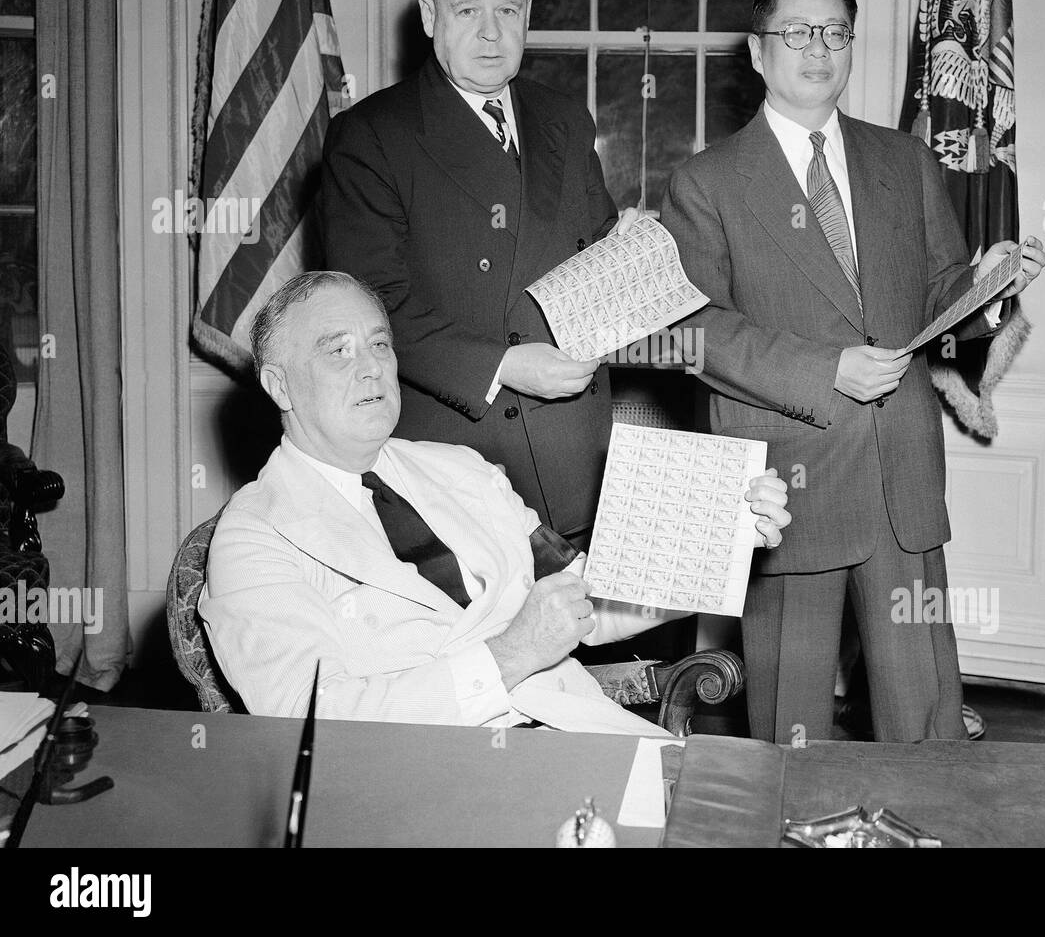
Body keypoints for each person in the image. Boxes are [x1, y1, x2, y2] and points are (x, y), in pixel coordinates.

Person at [660, 0, 1045, 744]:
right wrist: (825, 369)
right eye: (796, 32)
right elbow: (694, 329)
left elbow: (940, 305)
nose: (818, 48)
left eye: (835, 32)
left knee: (927, 718)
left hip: (903, 482)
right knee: (789, 727)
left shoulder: (905, 163)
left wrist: (989, 286)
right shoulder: (706, 182)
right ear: (758, 52)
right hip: (787, 490)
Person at [198, 272, 790, 733]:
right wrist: (511, 654)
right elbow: (309, 721)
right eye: (339, 351)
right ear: (278, 385)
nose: (373, 367)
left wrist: (721, 537)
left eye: (380, 343)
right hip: (421, 782)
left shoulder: (463, 470)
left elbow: (589, 600)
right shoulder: (254, 537)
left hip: (573, 732)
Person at [318, 0, 637, 546]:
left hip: (580, 461)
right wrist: (506, 365)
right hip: (455, 473)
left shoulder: (564, 119)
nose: (491, 33)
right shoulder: (370, 135)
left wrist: (629, 253)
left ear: (529, 15)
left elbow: (590, 258)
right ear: (431, 16)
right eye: (468, 10)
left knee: (605, 642)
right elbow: (373, 312)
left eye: (508, 10)